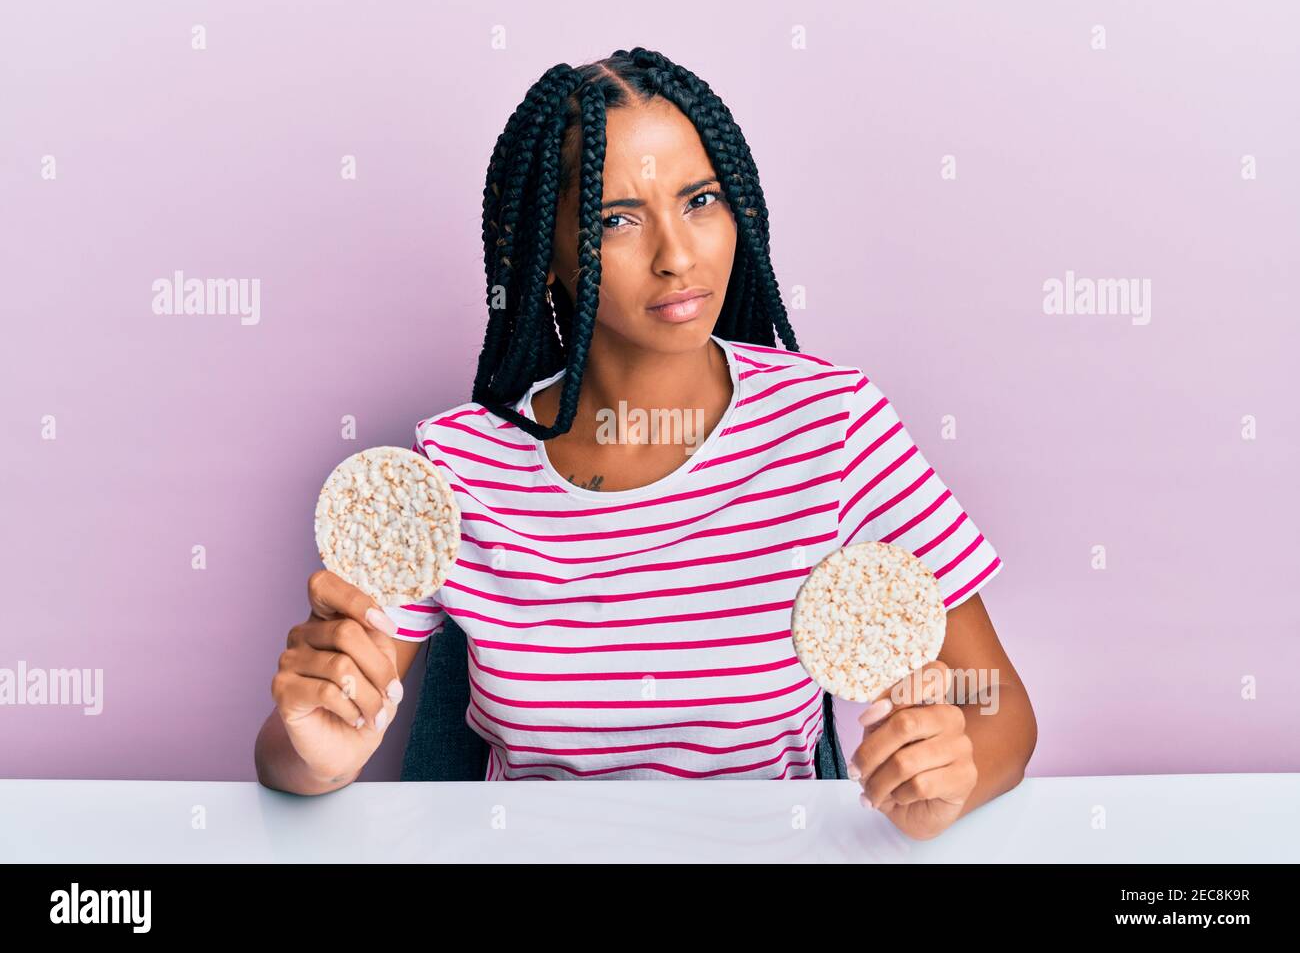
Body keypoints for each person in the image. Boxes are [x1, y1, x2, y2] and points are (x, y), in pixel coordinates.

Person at [255, 47, 1037, 841]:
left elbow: (1001, 718)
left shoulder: (832, 429)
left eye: (700, 200)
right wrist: (315, 751)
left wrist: (945, 776)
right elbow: (296, 753)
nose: (677, 255)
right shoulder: (457, 472)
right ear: (545, 251)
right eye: (615, 220)